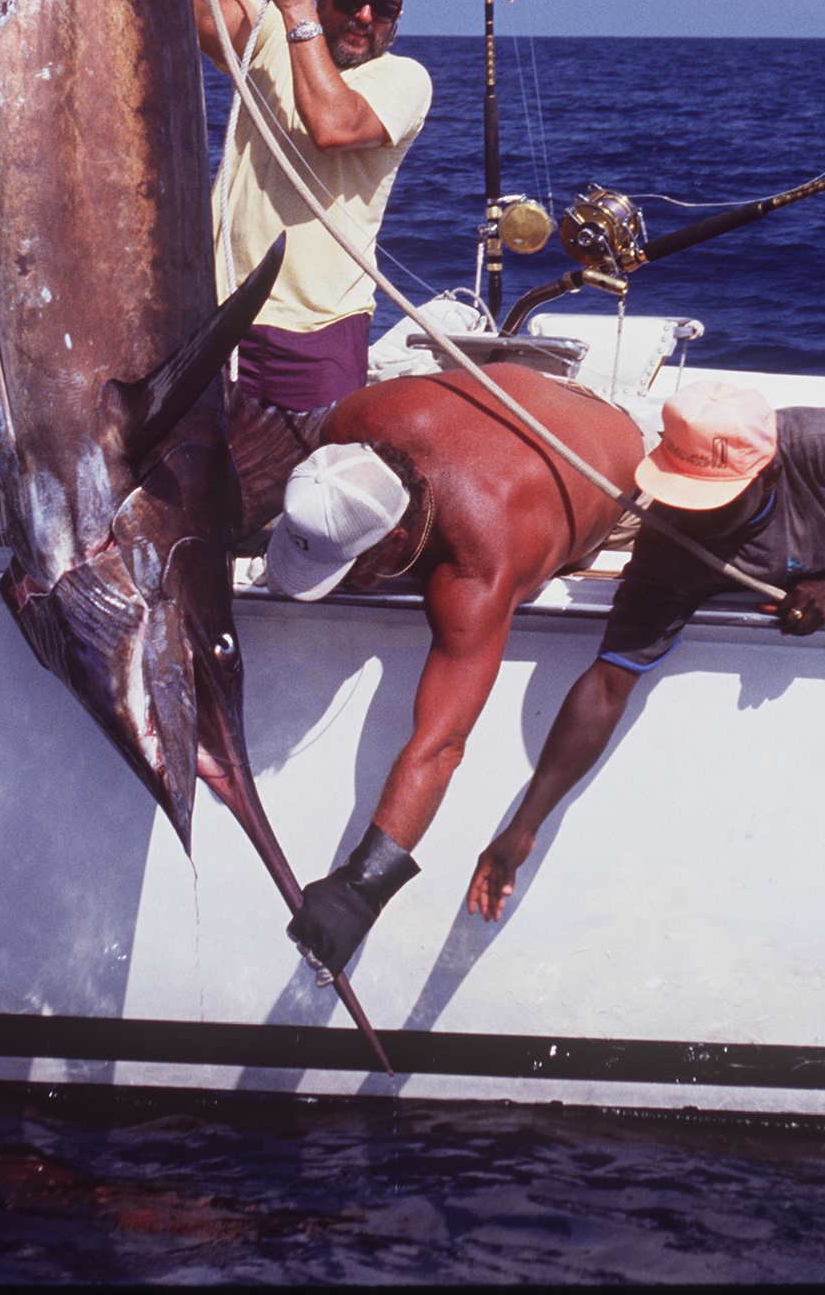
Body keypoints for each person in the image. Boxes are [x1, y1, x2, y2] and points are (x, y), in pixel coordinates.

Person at [466, 378, 825, 926]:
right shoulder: (670, 543)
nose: (695, 513)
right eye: (682, 490)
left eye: (714, 497)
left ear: (769, 471)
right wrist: (522, 829)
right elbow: (608, 683)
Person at [257, 363, 646, 978]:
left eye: (349, 570)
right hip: (531, 398)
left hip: (613, 455)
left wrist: (363, 886)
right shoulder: (351, 426)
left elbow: (439, 745)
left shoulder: (479, 565)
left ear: (398, 541)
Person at [189, 0, 430, 413]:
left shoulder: (404, 79)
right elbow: (186, 9)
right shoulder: (271, 30)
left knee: (312, 499)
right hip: (220, 317)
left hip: (319, 334)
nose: (365, 16)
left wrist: (297, 8)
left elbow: (333, 126)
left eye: (383, 5)